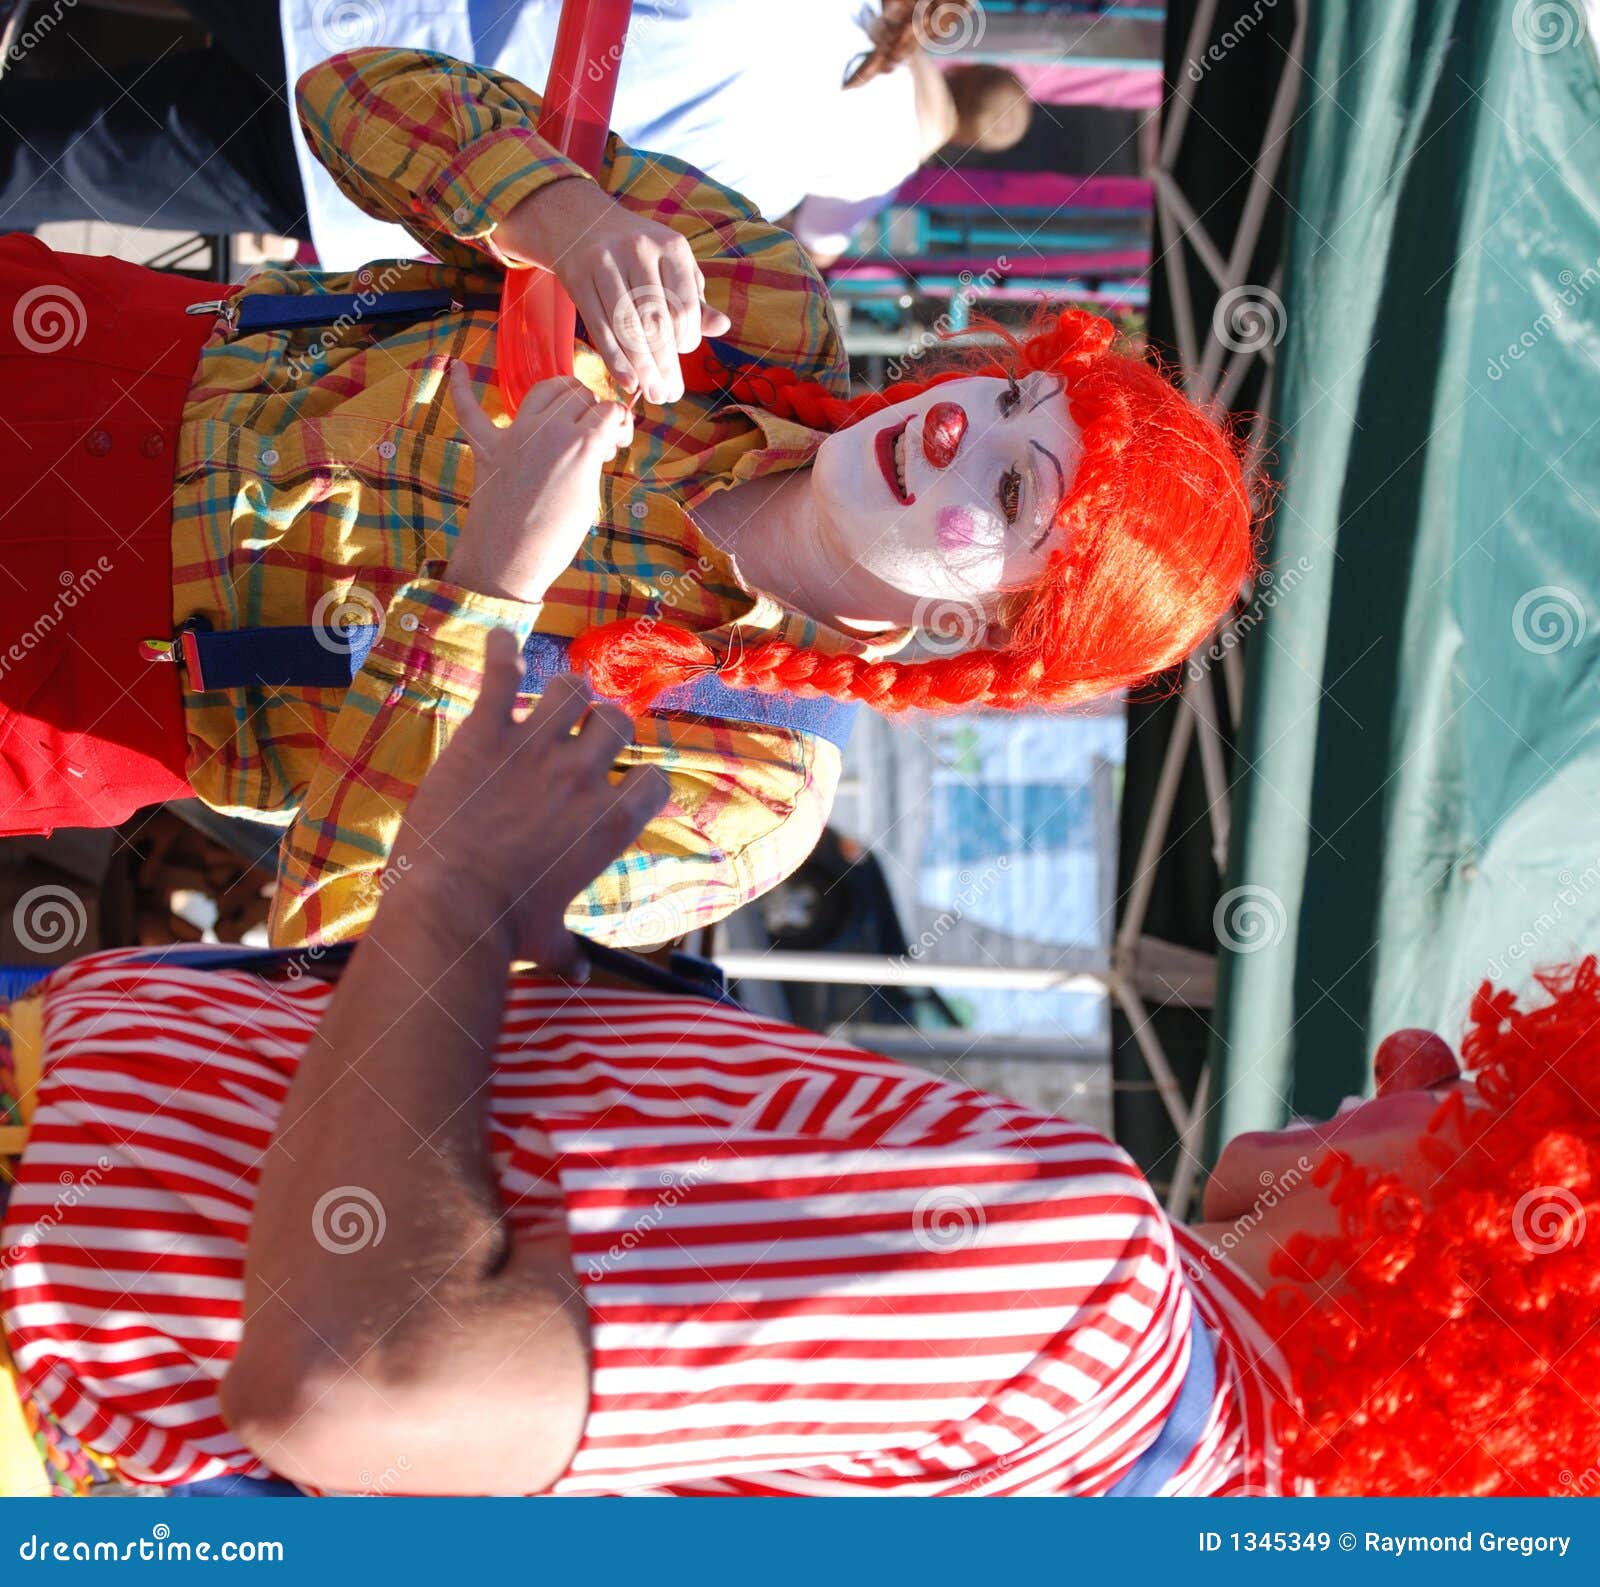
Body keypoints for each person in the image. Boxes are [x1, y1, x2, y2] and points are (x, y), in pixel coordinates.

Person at [2, 638, 1594, 1497]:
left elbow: (357, 1379)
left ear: (1492, 1260)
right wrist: (519, 980)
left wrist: (452, 900)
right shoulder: (1123, 1457)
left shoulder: (1083, 1289)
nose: (1415, 1054)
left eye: (1479, 1098)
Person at [1, 46, 1250, 953]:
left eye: (1014, 483)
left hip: (57, 685)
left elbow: (352, 968)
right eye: (1012, 401)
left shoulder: (743, 790)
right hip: (59, 345)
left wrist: (490, 592)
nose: (954, 426)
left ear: (983, 630)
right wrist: (560, 213)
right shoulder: (759, 298)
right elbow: (339, 94)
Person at [1, 2, 1022, 269]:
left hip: (386, 28)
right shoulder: (807, 181)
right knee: (48, 157)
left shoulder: (819, 24)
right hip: (390, 180)